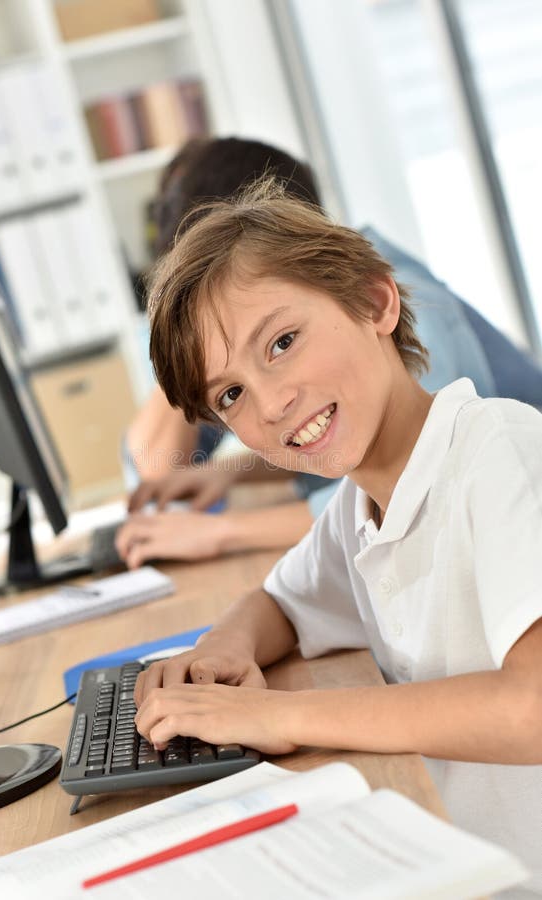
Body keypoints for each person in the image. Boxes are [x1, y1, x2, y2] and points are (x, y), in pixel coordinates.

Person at [133, 179, 542, 894]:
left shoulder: (495, 451)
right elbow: (280, 603)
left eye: (282, 343)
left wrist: (276, 715)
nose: (271, 403)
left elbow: (532, 708)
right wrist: (221, 651)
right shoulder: (359, 507)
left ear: (374, 303)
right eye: (229, 396)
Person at [116, 137, 542, 570]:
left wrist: (222, 533)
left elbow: (418, 485)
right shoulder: (284, 336)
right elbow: (155, 468)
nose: (271, 401)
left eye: (282, 343)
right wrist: (185, 336)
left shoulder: (396, 309)